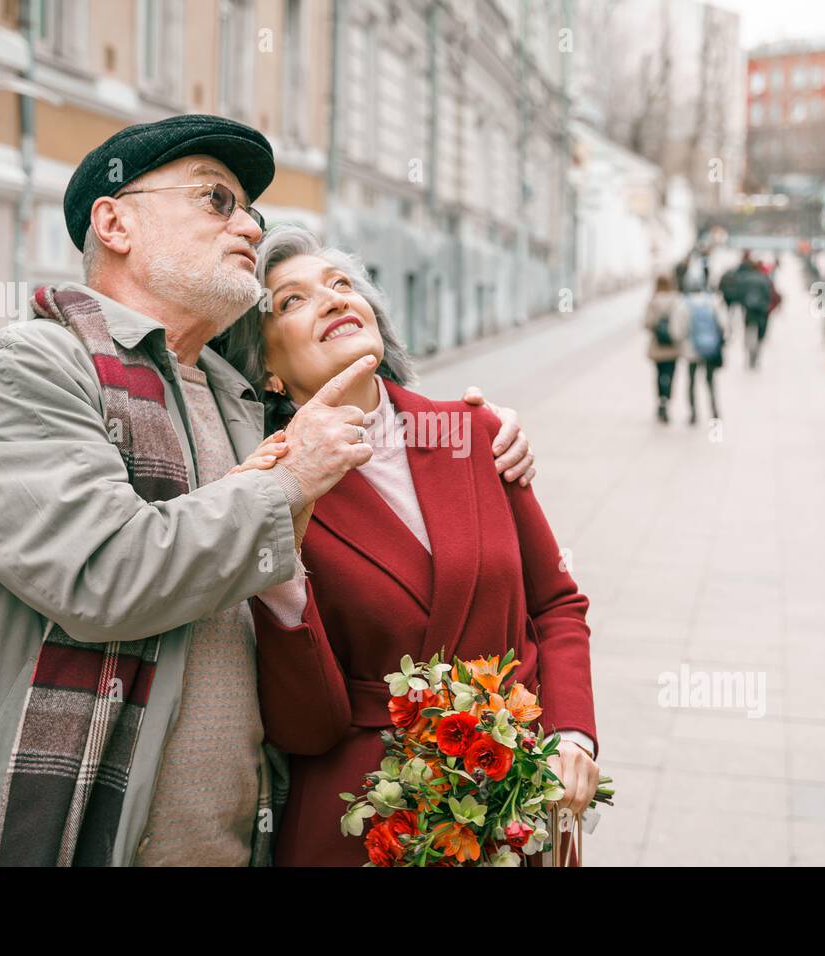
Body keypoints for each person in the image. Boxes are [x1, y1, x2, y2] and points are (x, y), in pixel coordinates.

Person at [0, 115, 535, 868]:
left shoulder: (241, 404)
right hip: (68, 830)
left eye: (251, 210)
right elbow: (108, 571)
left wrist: (474, 434)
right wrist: (291, 481)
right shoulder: (28, 370)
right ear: (115, 222)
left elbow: (371, 454)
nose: (246, 224)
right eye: (217, 199)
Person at [219, 226, 599, 867]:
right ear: (269, 371)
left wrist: (573, 734)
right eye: (291, 301)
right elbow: (303, 725)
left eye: (341, 285)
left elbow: (558, 604)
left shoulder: (474, 431)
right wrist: (280, 561)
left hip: (513, 797)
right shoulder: (272, 487)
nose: (333, 300)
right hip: (368, 815)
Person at [679, 274, 728, 424]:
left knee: (692, 381)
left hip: (692, 349)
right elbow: (724, 324)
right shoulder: (713, 301)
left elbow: (679, 330)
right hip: (710, 348)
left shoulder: (684, 304)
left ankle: (693, 413)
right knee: (710, 381)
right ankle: (714, 412)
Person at [644, 274, 684, 423]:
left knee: (659, 374)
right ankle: (667, 399)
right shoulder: (677, 301)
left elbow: (647, 323)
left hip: (658, 346)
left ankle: (660, 400)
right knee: (670, 374)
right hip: (673, 346)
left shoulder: (653, 301)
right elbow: (683, 323)